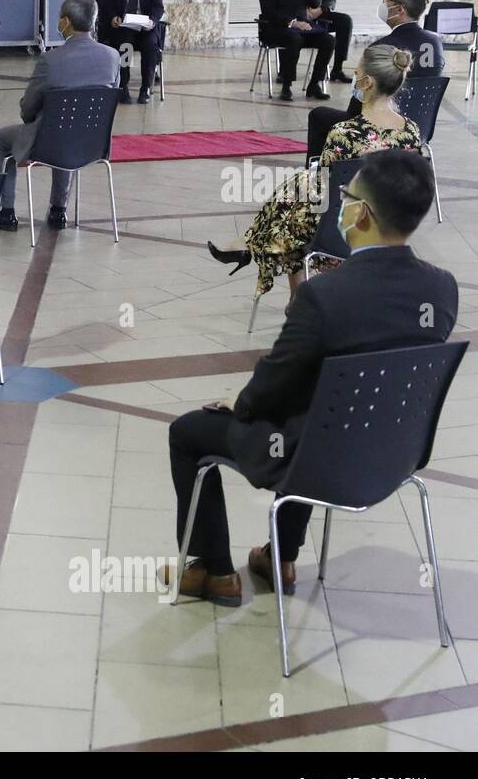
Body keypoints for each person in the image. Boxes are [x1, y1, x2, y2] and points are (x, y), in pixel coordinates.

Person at [165, 150, 457, 605]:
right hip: (394, 454)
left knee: (188, 433)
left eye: (346, 195)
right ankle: (280, 556)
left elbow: (271, 385)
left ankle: (214, 572)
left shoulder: (324, 295)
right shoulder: (442, 288)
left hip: (319, 460)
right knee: (314, 415)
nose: (340, 203)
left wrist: (240, 406)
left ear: (361, 212)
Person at [209, 44, 422, 299]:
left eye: (357, 73)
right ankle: (253, 246)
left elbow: (323, 192)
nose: (354, 78)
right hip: (390, 228)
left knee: (290, 219)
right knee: (297, 194)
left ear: (367, 83)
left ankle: (283, 279)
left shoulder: (345, 134)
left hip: (345, 233)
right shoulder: (412, 132)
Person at [0, 0, 120, 232]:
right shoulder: (112, 57)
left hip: (50, 142)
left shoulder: (51, 60)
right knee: (69, 131)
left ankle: (7, 212)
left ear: (66, 22)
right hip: (92, 143)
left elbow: (27, 110)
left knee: (0, 139)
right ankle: (58, 210)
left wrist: (31, 115)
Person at [306, 0, 445, 159]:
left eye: (387, 0)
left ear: (400, 9)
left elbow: (358, 107)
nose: (384, 4)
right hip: (419, 128)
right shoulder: (435, 43)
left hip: (379, 128)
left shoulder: (383, 48)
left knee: (318, 115)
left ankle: (318, 177)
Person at [258, 0, 335, 101]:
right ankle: (286, 86)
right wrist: (292, 22)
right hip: (278, 28)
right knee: (294, 39)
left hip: (303, 27)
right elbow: (268, 10)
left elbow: (315, 3)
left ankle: (314, 85)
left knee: (328, 40)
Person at [98, 0, 163, 103]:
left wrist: (152, 21)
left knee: (150, 47)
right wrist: (113, 17)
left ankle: (145, 88)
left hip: (145, 28)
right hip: (124, 27)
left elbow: (158, 7)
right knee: (125, 47)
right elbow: (108, 4)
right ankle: (123, 86)